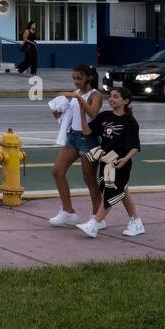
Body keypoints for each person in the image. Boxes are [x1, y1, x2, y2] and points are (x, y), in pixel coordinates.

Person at [74, 86, 145, 238]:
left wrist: (125, 159)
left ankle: (95, 223)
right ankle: (136, 222)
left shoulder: (130, 122)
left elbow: (134, 146)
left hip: (120, 161)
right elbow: (88, 133)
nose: (111, 99)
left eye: (116, 97)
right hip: (106, 159)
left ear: (125, 101)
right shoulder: (105, 116)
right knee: (121, 190)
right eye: (111, 96)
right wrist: (81, 114)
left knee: (110, 191)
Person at [46, 64, 104, 228]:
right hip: (73, 137)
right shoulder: (76, 94)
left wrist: (77, 98)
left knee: (89, 179)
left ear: (89, 78)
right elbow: (72, 116)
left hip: (89, 139)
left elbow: (93, 113)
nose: (76, 81)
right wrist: (58, 114)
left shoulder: (95, 95)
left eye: (79, 78)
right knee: (57, 171)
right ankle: (68, 211)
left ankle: (98, 218)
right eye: (74, 78)